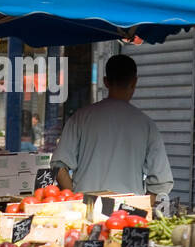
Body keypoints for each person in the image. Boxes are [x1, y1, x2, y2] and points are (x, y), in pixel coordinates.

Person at [52, 54, 173, 204]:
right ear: (134, 82)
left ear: (105, 82)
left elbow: (58, 166)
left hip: (85, 210)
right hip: (126, 215)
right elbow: (161, 182)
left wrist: (76, 200)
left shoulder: (80, 118)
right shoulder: (146, 125)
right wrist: (140, 208)